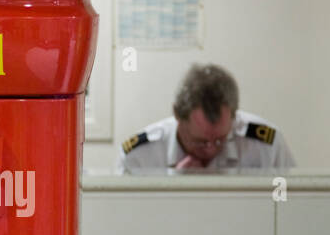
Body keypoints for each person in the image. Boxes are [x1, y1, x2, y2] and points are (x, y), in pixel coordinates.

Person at [117, 63, 296, 174]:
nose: (210, 150)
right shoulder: (140, 157)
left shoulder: (266, 146)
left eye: (220, 140)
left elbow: (291, 206)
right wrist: (171, 188)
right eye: (200, 142)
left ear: (234, 117)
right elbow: (125, 220)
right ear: (178, 116)